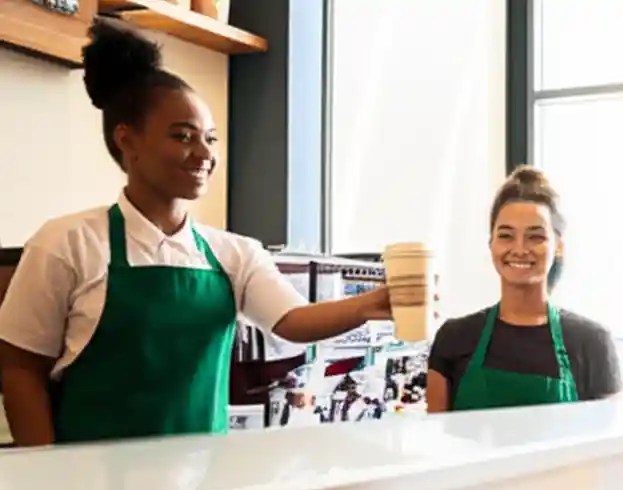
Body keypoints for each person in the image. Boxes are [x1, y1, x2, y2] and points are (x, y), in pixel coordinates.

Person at [0, 21, 391, 446]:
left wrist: (371, 304)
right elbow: (20, 368)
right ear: (127, 140)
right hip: (87, 489)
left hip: (200, 483)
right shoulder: (66, 243)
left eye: (211, 138)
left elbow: (292, 321)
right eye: (183, 137)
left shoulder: (234, 252)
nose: (204, 154)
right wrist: (45, 480)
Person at [426, 167, 620, 412]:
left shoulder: (592, 342)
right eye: (506, 235)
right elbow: (435, 443)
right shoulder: (453, 337)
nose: (519, 249)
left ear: (558, 246)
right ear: (491, 243)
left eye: (535, 237)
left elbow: (607, 447)